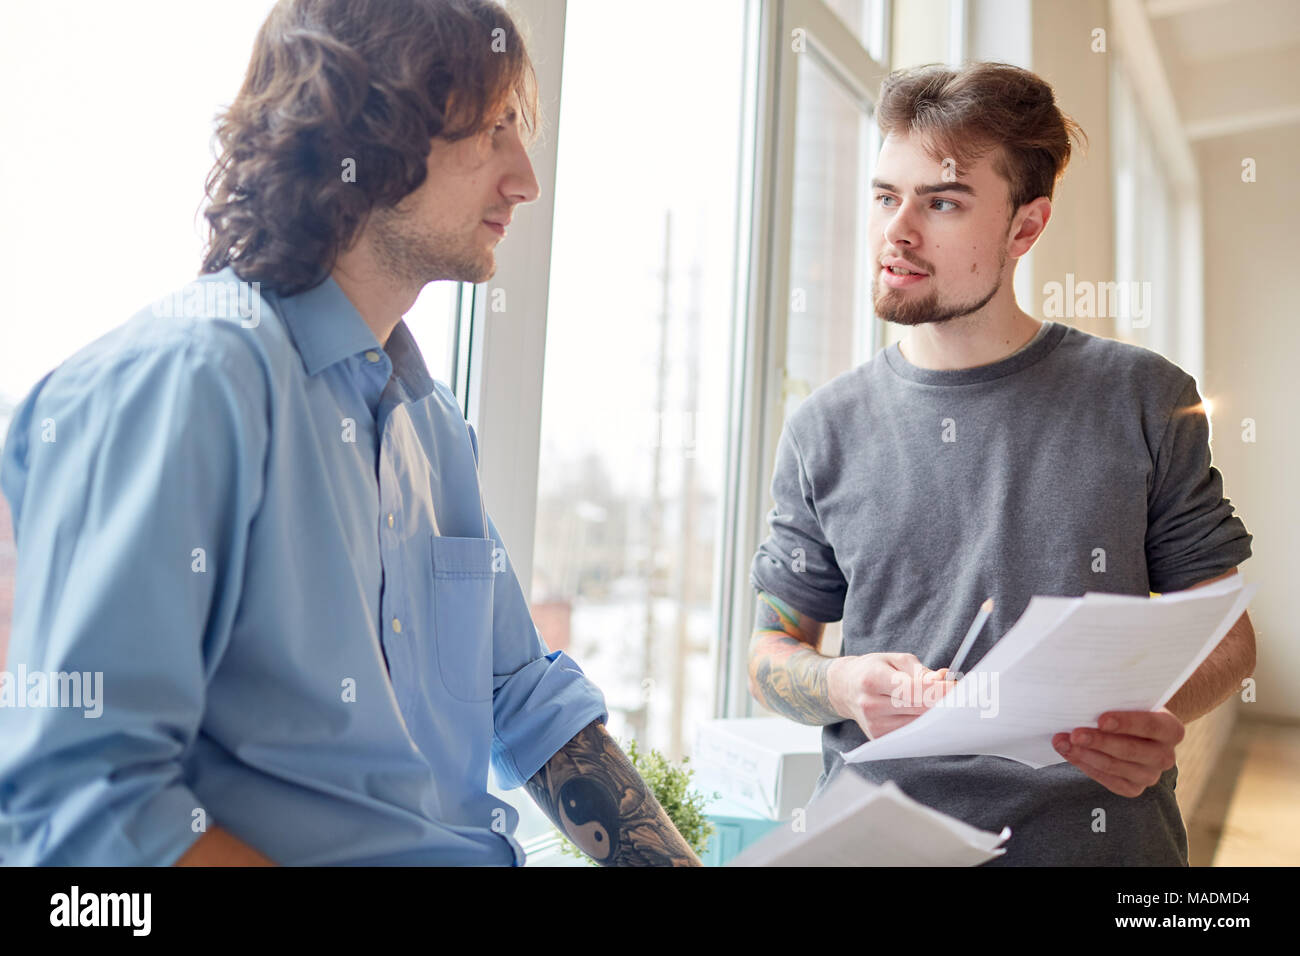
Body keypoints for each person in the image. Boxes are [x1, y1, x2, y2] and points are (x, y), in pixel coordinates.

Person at [0, 0, 699, 867]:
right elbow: (88, 814)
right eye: (490, 130)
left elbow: (522, 697)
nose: (525, 178)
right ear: (369, 137)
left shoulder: (435, 430)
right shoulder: (187, 383)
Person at [747, 61, 1255, 866]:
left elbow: (1227, 629)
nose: (897, 231)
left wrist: (1159, 712)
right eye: (886, 195)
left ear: (1026, 227)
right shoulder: (822, 429)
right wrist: (844, 686)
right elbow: (771, 651)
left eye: (941, 201)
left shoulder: (1146, 397)